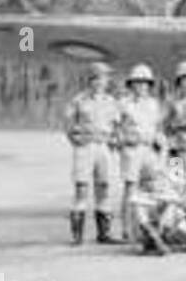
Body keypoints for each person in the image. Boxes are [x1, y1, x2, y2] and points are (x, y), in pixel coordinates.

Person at [65, 61, 122, 245]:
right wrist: (76, 138)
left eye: (105, 78)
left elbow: (117, 124)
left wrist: (114, 139)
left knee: (103, 187)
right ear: (90, 80)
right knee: (81, 188)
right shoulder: (79, 100)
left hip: (103, 146)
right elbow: (68, 122)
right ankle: (77, 235)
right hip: (86, 146)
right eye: (97, 78)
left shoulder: (111, 101)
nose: (101, 82)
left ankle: (103, 233)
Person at [117, 63, 164, 241]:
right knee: (130, 189)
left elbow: (157, 127)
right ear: (131, 85)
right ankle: (126, 229)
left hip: (151, 150)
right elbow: (115, 129)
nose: (141, 86)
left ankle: (150, 226)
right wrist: (124, 141)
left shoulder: (154, 104)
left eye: (145, 83)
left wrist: (160, 143)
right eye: (137, 82)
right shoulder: (123, 104)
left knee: (154, 186)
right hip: (132, 150)